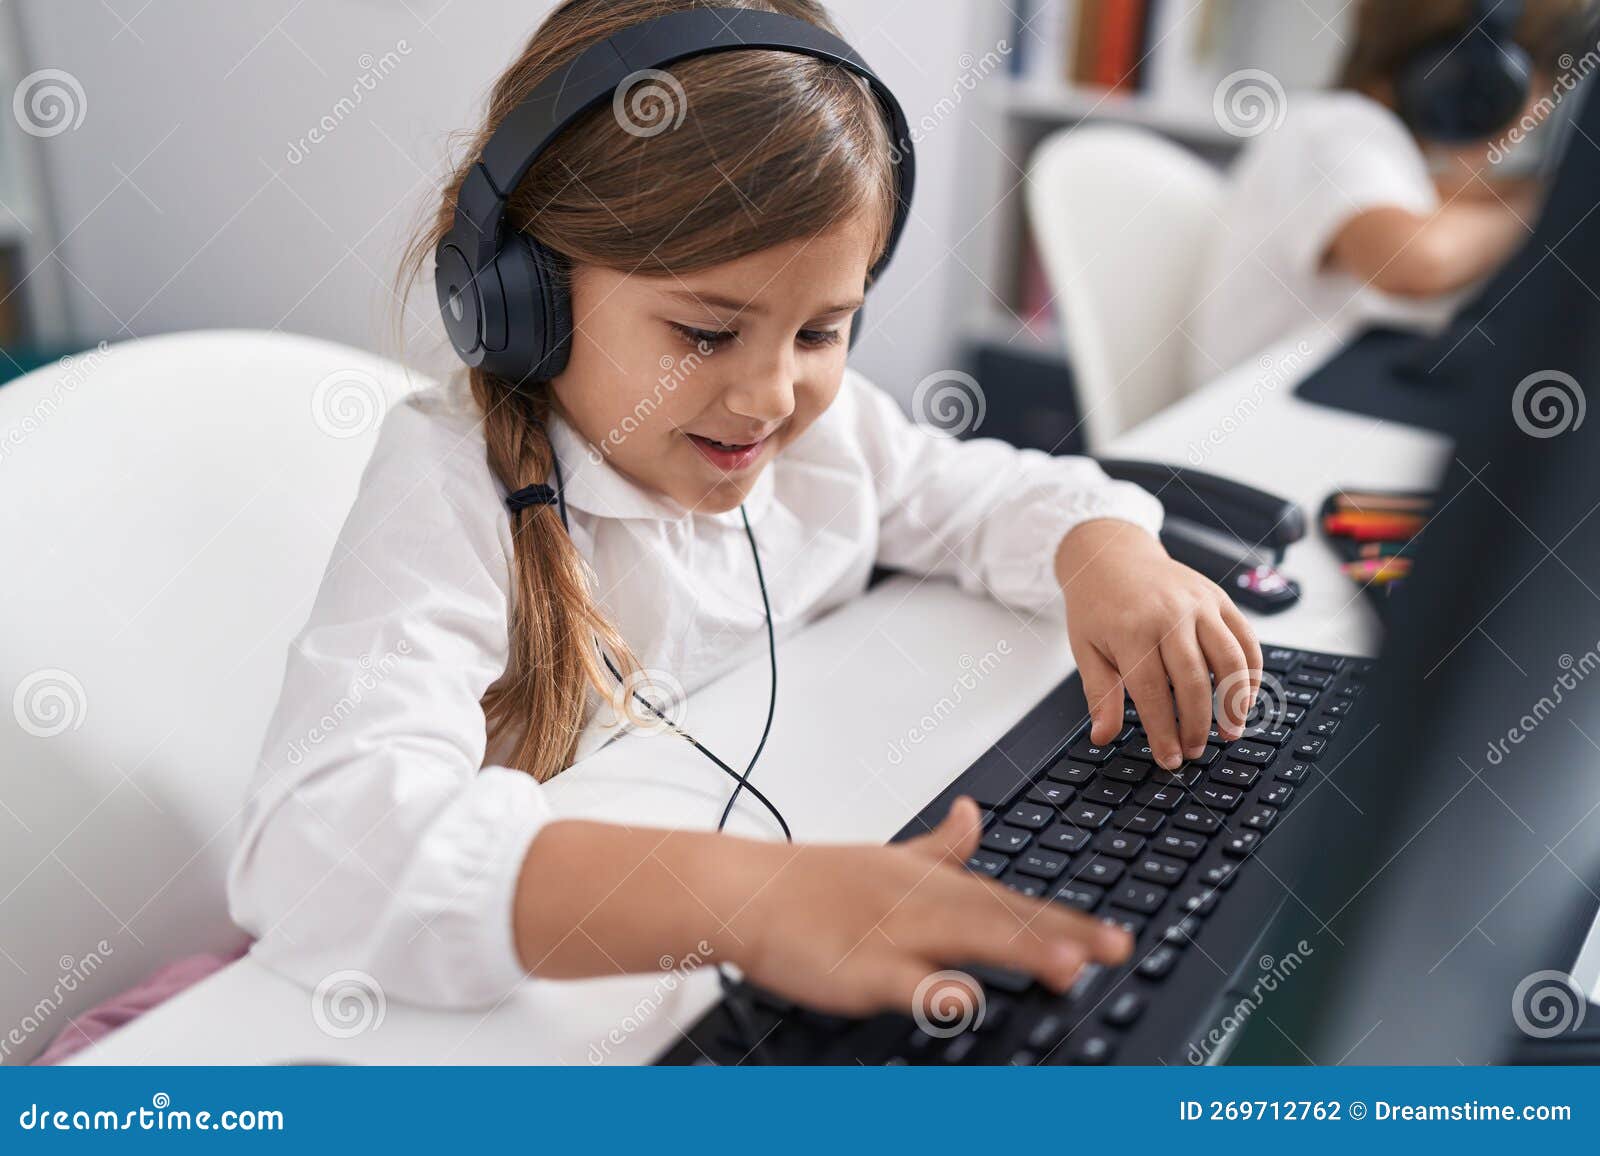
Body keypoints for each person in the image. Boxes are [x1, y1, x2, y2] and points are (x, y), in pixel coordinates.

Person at [227, 0, 1263, 1019]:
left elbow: (990, 497)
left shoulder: (830, 439)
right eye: (706, 332)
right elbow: (316, 849)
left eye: (820, 331)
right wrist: (745, 901)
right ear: (521, 296)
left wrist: (1106, 552)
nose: (772, 396)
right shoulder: (451, 485)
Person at [1190, 0, 1594, 381]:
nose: (1536, 111)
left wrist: (1553, 188)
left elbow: (1453, 195)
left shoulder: (1384, 152)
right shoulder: (1336, 127)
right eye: (1538, 89)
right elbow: (1416, 262)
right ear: (1477, 80)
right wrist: (1554, 206)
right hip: (1241, 435)